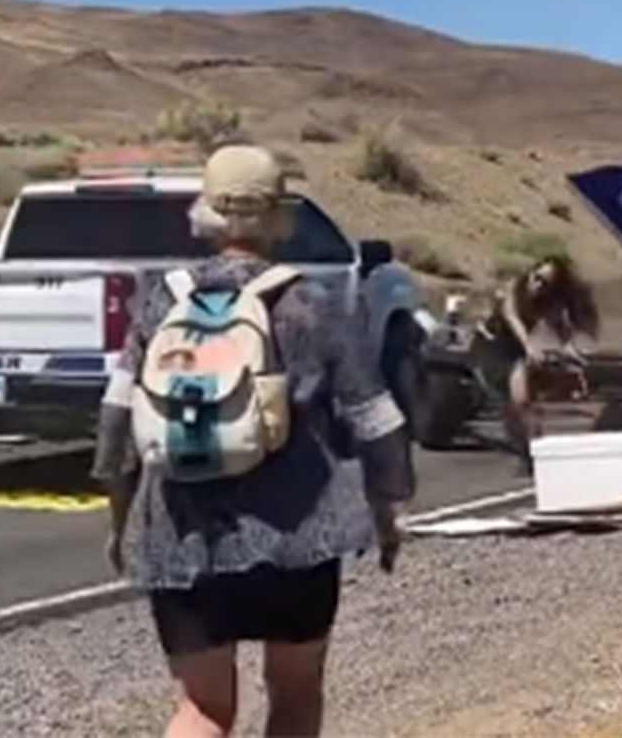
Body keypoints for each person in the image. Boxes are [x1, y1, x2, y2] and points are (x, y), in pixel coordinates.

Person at [92, 145, 414, 738]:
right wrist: (387, 508)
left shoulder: (162, 302)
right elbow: (377, 420)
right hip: (298, 541)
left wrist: (121, 523)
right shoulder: (312, 304)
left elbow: (115, 426)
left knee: (203, 709)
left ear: (205, 212)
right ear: (279, 216)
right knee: (294, 694)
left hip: (182, 539)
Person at [470, 255, 600, 474]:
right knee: (510, 401)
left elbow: (559, 326)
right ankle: (525, 446)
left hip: (515, 351)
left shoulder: (547, 300)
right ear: (531, 272)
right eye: (536, 277)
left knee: (521, 400)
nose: (538, 284)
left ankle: (530, 450)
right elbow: (512, 317)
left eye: (545, 282)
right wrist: (529, 345)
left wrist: (569, 347)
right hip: (491, 346)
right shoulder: (515, 288)